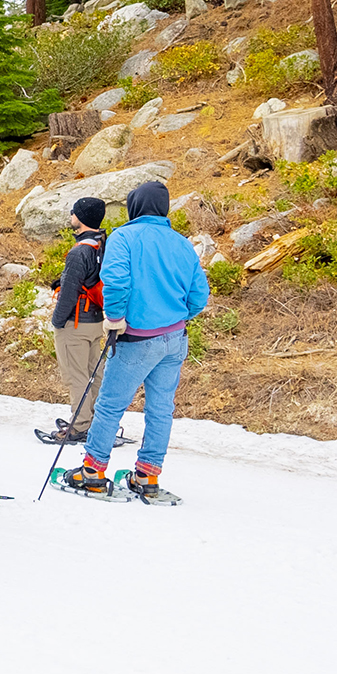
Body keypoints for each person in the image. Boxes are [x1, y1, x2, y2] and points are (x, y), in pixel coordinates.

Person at [62, 180, 210, 501]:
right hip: (174, 339)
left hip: (135, 338)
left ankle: (92, 471)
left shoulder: (124, 237)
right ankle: (146, 476)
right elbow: (200, 295)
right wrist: (179, 315)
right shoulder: (182, 244)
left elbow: (115, 282)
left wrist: (114, 319)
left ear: (134, 206)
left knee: (111, 405)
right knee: (160, 409)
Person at [42, 199, 109, 444]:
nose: (71, 214)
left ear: (81, 218)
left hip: (76, 323)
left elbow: (70, 292)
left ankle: (80, 425)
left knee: (76, 375)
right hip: (96, 320)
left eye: (75, 212)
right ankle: (97, 421)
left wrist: (57, 321)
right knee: (94, 372)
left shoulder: (79, 251)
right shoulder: (103, 243)